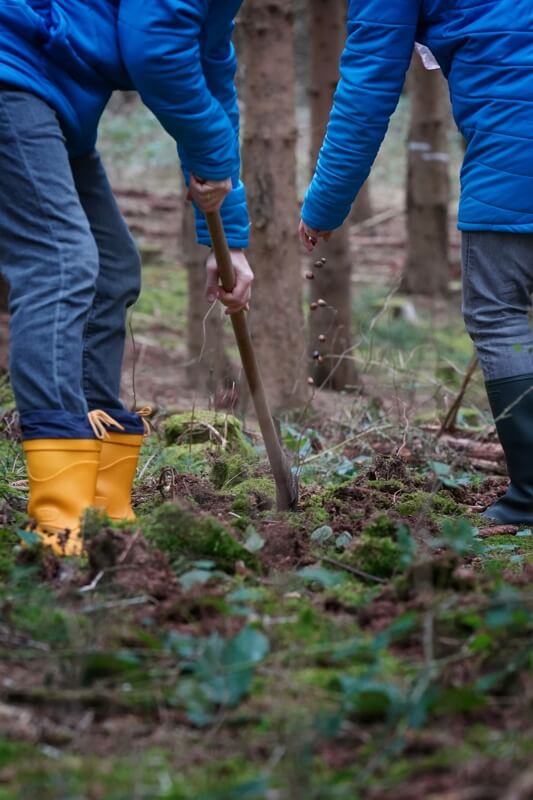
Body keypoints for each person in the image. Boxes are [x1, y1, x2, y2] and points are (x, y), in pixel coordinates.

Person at [0, 0, 253, 555]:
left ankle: (104, 507)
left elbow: (211, 66)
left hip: (55, 94)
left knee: (112, 269)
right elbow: (155, 47)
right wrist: (213, 153)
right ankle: (58, 523)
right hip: (15, 70)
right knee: (60, 260)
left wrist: (226, 239)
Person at [300, 0, 533, 526]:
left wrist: (323, 206)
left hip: (515, 152)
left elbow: (367, 89)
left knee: (499, 314)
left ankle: (530, 495)